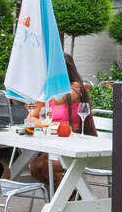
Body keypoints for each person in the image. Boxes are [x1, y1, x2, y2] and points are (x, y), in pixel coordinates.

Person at [25, 52, 97, 190]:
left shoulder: (76, 88)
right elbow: (30, 118)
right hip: (54, 146)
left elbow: (59, 100)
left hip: (76, 147)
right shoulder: (49, 90)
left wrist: (45, 89)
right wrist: (51, 125)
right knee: (35, 168)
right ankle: (66, 194)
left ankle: (65, 197)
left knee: (42, 166)